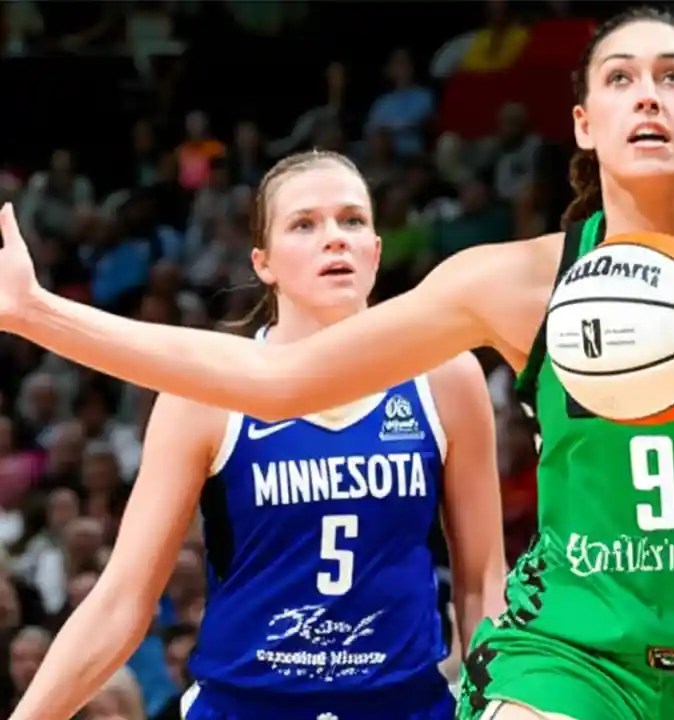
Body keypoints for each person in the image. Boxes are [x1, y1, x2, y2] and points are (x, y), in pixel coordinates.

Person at [0, 8, 674, 719]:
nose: (648, 95)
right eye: (620, 78)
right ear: (584, 123)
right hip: (573, 658)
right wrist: (40, 315)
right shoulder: (510, 283)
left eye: (673, 76)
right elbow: (281, 381)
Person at [5, 151, 507, 720]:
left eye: (352, 220)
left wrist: (489, 706)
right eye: (304, 224)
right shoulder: (202, 396)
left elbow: (481, 583)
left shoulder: (446, 378)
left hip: (404, 706)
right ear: (263, 263)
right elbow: (122, 602)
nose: (334, 238)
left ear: (375, 251)